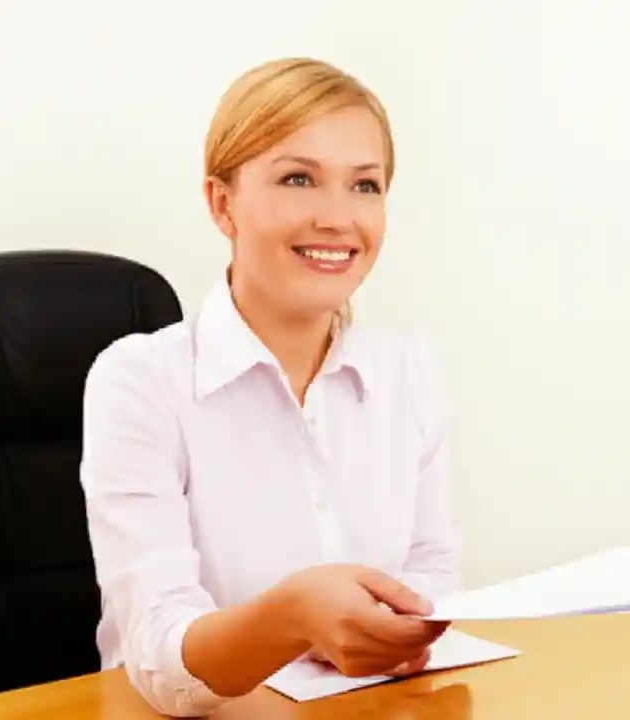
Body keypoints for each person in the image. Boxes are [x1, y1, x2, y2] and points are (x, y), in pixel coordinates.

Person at [79, 58, 459, 717]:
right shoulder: (139, 382)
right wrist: (291, 617)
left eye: (365, 186)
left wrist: (406, 630)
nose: (338, 217)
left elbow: (431, 575)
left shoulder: (409, 370)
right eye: (298, 178)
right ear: (221, 203)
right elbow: (159, 658)